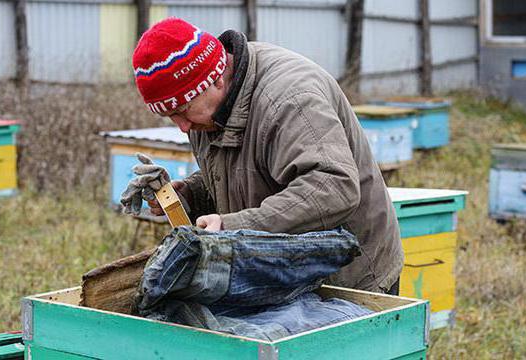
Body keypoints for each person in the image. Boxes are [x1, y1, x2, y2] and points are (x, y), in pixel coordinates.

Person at [122, 17, 403, 295]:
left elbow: (334, 188)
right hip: (283, 274)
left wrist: (232, 228)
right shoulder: (206, 105)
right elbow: (247, 168)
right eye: (170, 116)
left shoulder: (289, 100)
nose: (182, 127)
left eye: (182, 110)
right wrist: (190, 196)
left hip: (347, 278)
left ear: (216, 81)